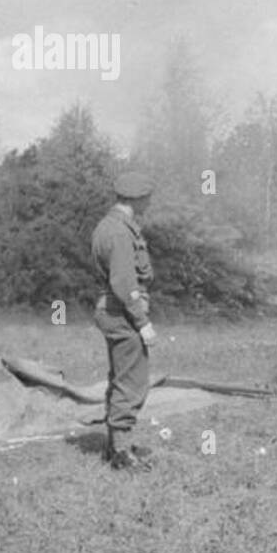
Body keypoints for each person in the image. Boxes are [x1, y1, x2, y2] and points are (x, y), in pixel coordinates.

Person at [92, 171, 157, 469]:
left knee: (121, 377)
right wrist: (142, 322)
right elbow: (123, 282)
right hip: (122, 312)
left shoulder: (111, 226)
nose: (149, 202)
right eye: (147, 197)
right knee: (130, 381)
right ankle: (120, 454)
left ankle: (115, 446)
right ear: (137, 199)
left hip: (114, 309)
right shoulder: (119, 232)